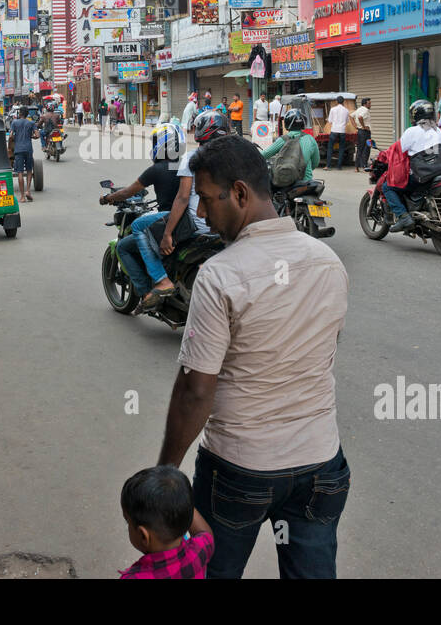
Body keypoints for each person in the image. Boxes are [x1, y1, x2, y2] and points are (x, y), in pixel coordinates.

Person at [157, 136, 350, 579]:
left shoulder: (221, 274)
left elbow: (194, 389)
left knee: (214, 572)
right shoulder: (327, 261)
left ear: (240, 193)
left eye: (205, 199)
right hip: (321, 465)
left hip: (240, 471)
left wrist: (166, 470)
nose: (201, 214)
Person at [137, 110, 226, 315]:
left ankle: (162, 281)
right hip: (226, 226)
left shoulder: (192, 158)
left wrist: (167, 234)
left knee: (138, 226)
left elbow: (183, 198)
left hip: (199, 225)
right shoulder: (232, 159)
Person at [102, 122, 185, 308]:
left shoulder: (157, 169)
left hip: (168, 219)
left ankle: (147, 292)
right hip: (188, 220)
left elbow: (128, 192)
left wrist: (108, 197)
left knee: (124, 246)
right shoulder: (187, 166)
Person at [119, 466, 214, 579]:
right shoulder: (199, 552)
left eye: (127, 522)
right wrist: (181, 503)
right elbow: (205, 533)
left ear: (143, 535)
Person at [381, 100, 441, 233]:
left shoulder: (412, 131)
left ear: (415, 115)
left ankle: (404, 217)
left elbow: (398, 149)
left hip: (421, 175)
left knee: (387, 187)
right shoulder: (439, 131)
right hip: (439, 172)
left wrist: (383, 156)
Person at [262, 107, 321, 185]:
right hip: (306, 182)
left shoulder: (283, 139)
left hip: (286, 182)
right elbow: (315, 162)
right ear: (303, 123)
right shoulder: (310, 139)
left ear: (287, 123)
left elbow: (264, 154)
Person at [8, 106, 38, 203]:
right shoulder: (31, 123)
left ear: (20, 113)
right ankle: (28, 191)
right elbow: (37, 135)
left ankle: (22, 197)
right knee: (29, 170)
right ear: (27, 114)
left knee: (20, 172)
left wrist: (14, 139)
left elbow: (11, 135)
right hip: (28, 149)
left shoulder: (14, 123)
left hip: (18, 150)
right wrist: (31, 136)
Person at [326, 96, 351, 169]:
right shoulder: (346, 110)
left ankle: (328, 165)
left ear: (336, 101)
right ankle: (339, 166)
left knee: (330, 148)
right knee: (341, 148)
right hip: (342, 131)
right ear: (343, 102)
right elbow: (347, 121)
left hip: (334, 130)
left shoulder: (333, 109)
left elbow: (330, 121)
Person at [352, 98, 372, 171]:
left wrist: (355, 126)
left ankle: (357, 167)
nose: (370, 105)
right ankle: (364, 166)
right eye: (369, 103)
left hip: (360, 132)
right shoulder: (365, 110)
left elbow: (351, 116)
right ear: (365, 104)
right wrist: (363, 126)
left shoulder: (359, 109)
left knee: (360, 149)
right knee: (367, 148)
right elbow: (360, 117)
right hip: (365, 132)